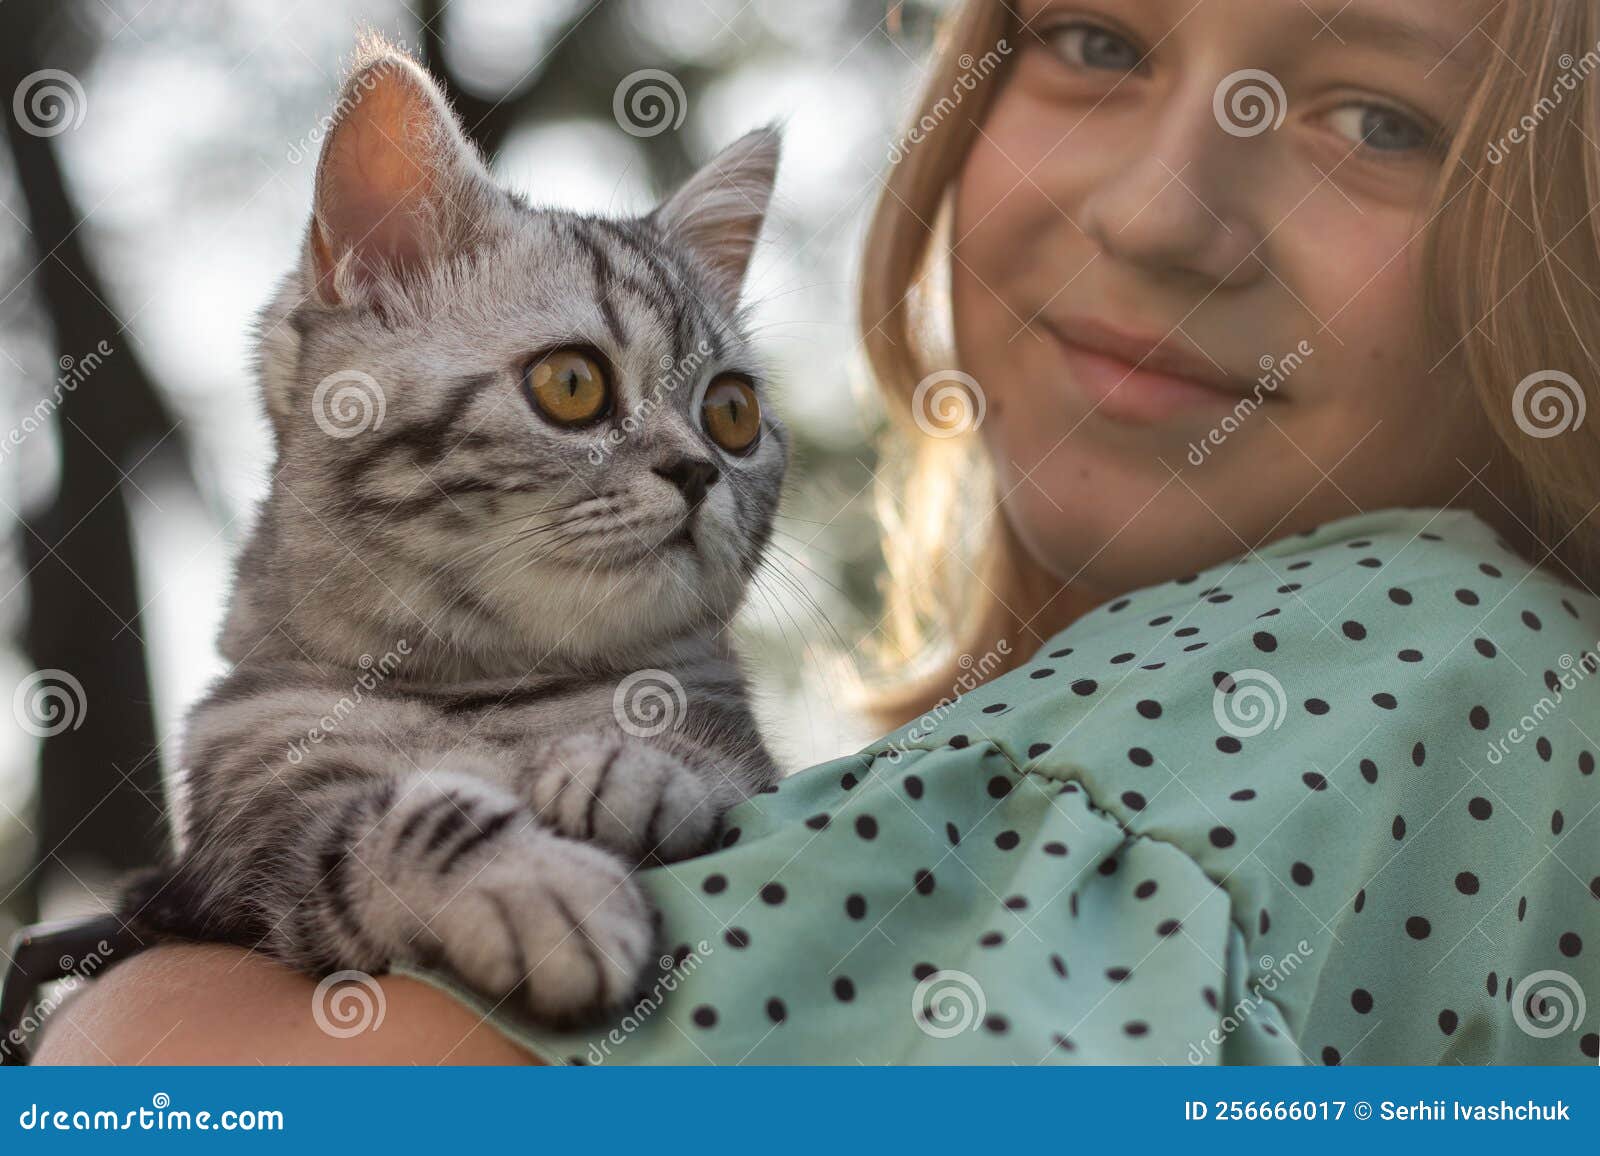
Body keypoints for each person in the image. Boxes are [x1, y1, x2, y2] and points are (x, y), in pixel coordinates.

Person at [35, 0, 1600, 1064]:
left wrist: (127, 1018)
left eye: (1383, 118)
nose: (1161, 213)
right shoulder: (1001, 766)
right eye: (1094, 36)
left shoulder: (1428, 643)